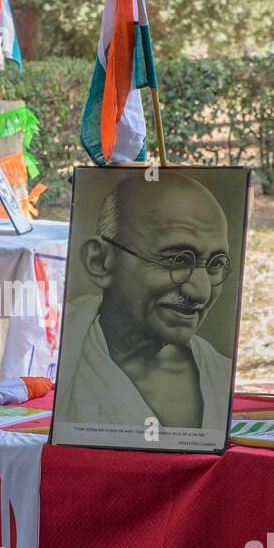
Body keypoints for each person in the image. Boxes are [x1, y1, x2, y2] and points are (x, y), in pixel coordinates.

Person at [55, 171, 234, 431]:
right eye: (176, 260)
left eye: (215, 265)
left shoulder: (219, 376)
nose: (201, 293)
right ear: (100, 262)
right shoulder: (56, 352)